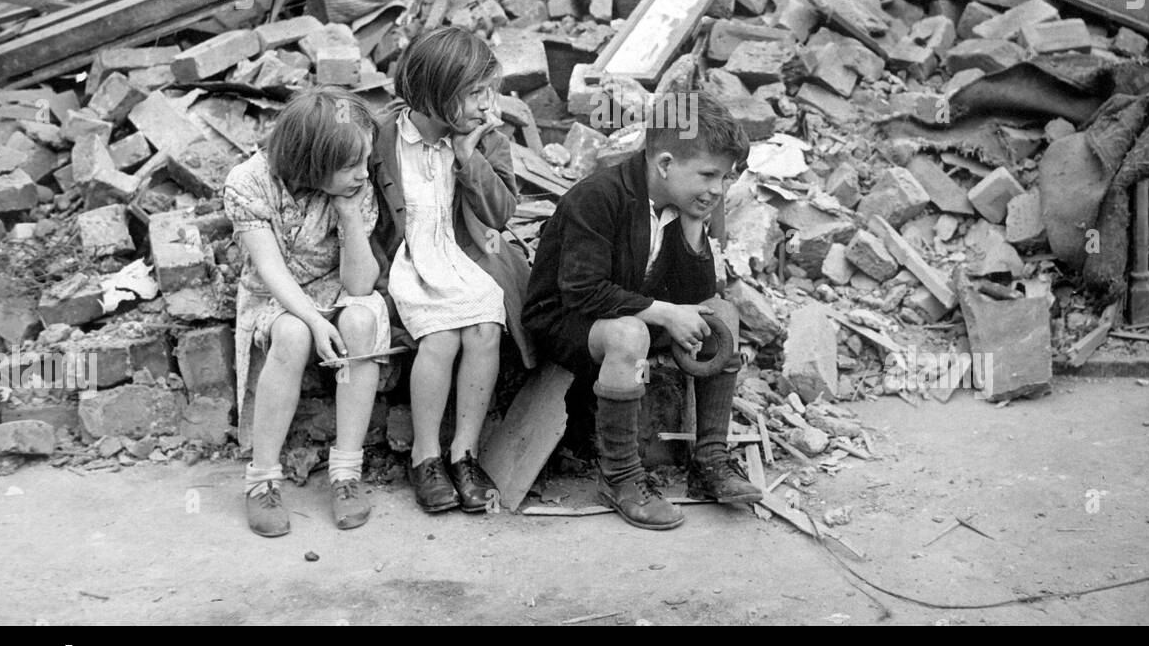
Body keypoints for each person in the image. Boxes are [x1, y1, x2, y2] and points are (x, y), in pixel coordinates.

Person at [522, 90, 761, 530]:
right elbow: (582, 291)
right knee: (630, 334)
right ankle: (622, 477)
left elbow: (697, 294)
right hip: (568, 321)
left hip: (634, 309)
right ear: (666, 164)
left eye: (725, 178)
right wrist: (666, 313)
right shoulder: (598, 197)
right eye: (709, 174)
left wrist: (692, 231)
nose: (718, 189)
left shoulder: (682, 201)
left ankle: (709, 458)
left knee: (722, 314)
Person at [369, 27, 526, 514]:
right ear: (436, 91)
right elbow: (362, 212)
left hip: (460, 256)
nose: (487, 106)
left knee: (483, 326)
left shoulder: (488, 140)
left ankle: (465, 453)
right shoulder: (382, 136)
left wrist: (468, 158)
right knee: (440, 337)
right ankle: (425, 456)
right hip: (406, 260)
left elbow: (501, 213)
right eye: (475, 94)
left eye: (490, 92)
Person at [224, 88, 389, 538]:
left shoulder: (354, 189)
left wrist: (351, 217)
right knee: (294, 334)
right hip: (275, 294)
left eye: (365, 163)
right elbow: (270, 270)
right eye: (349, 166)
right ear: (312, 159)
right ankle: (262, 478)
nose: (361, 174)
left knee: (361, 321)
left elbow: (359, 284)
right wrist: (316, 322)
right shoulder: (248, 181)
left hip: (335, 285)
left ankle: (346, 472)